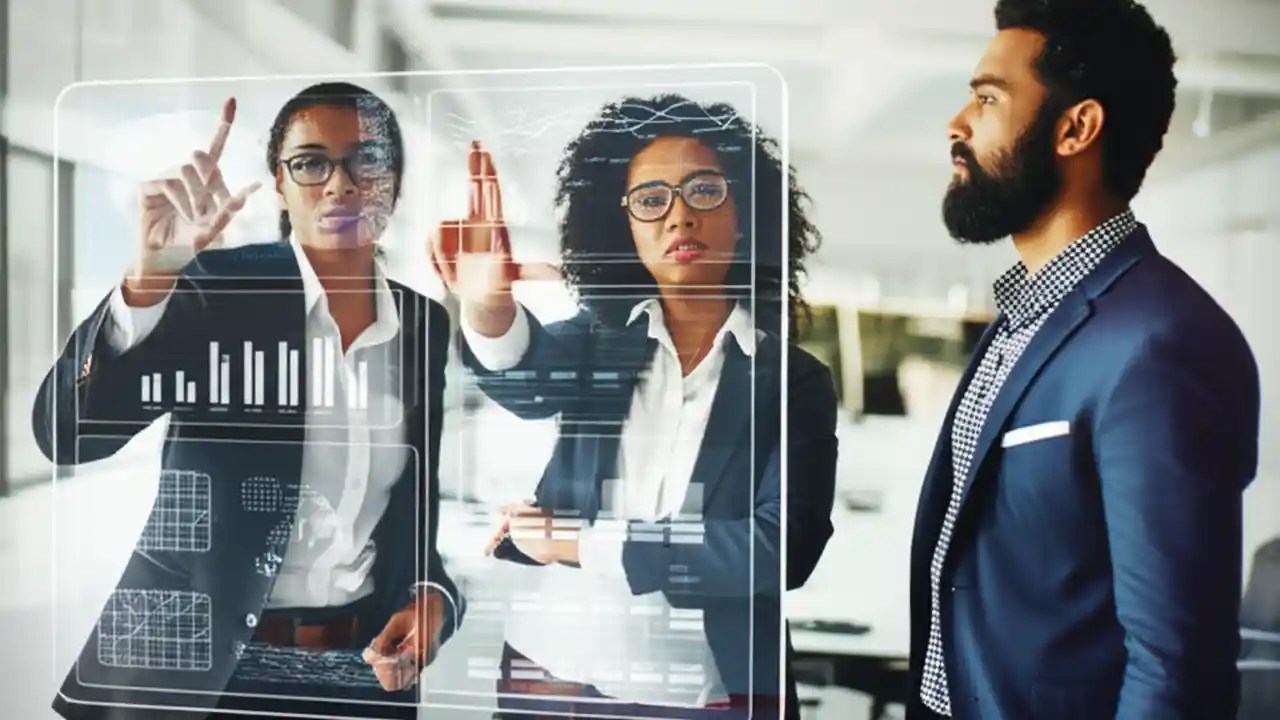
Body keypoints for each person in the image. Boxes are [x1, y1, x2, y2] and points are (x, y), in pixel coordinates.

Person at [34, 81, 462, 719]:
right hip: (198, 678)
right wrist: (149, 282)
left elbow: (410, 512)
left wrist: (434, 596)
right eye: (311, 162)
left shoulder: (422, 323)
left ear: (393, 184)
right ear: (281, 183)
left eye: (366, 160)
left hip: (356, 675)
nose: (340, 185)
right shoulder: (222, 289)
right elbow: (69, 435)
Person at [430, 94, 838, 720]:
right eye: (651, 201)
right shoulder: (599, 340)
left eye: (703, 191)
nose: (679, 218)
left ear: (746, 212)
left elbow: (780, 549)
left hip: (704, 696)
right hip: (548, 682)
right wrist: (487, 306)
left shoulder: (793, 383)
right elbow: (526, 382)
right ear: (623, 227)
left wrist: (578, 543)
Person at [907, 1, 1261, 718]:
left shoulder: (1162, 345)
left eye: (987, 98)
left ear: (1076, 128)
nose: (958, 122)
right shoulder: (1021, 318)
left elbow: (1176, 668)